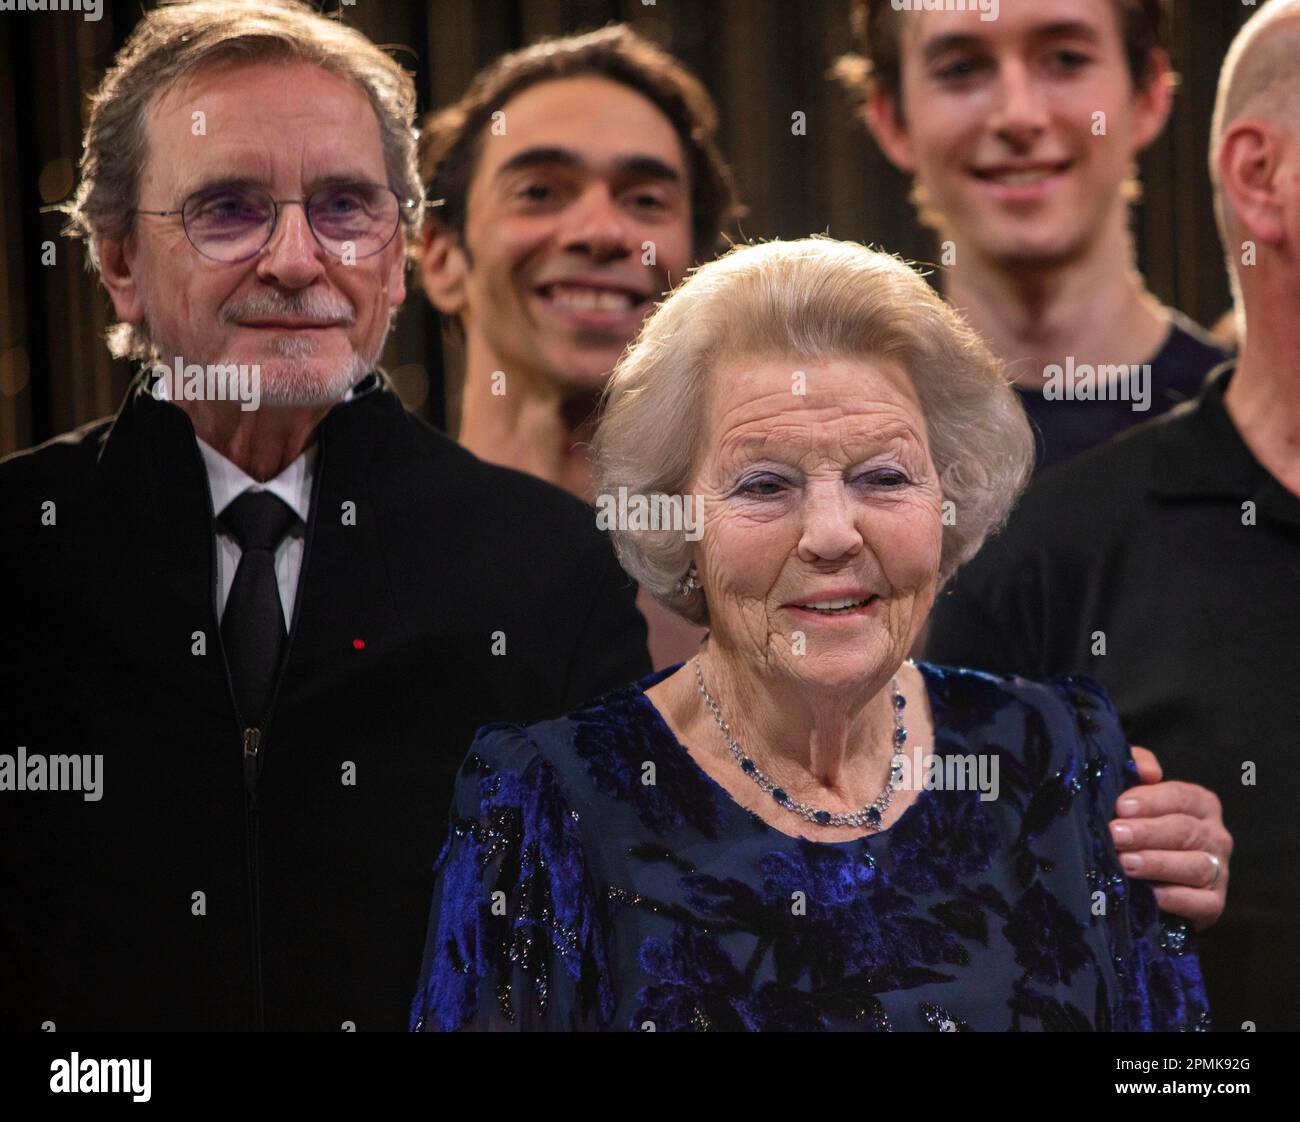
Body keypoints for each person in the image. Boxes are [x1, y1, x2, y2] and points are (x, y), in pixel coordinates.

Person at [0, 0, 648, 1031]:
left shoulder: (555, 571)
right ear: (118, 261)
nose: (297, 261)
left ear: (398, 256)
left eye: (345, 207)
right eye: (229, 209)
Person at [409, 238, 1209, 1032]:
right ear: (679, 521)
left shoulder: (1058, 753)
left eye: (883, 477)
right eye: (764, 485)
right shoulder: (550, 807)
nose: (831, 534)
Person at [927, 0, 1300, 1030]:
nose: (1018, 113)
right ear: (1262, 174)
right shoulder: (1042, 558)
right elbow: (927, 948)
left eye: (1061, 58)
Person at [417, 25, 739, 668]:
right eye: (539, 192)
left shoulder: (784, 587)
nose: (601, 232)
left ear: (701, 274)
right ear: (442, 258)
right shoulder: (351, 568)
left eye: (645, 200)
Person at [835, 0, 1229, 473]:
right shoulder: (843, 442)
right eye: (962, 68)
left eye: (1066, 59)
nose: (1019, 117)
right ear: (890, 118)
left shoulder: (1259, 432)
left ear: (1148, 94)